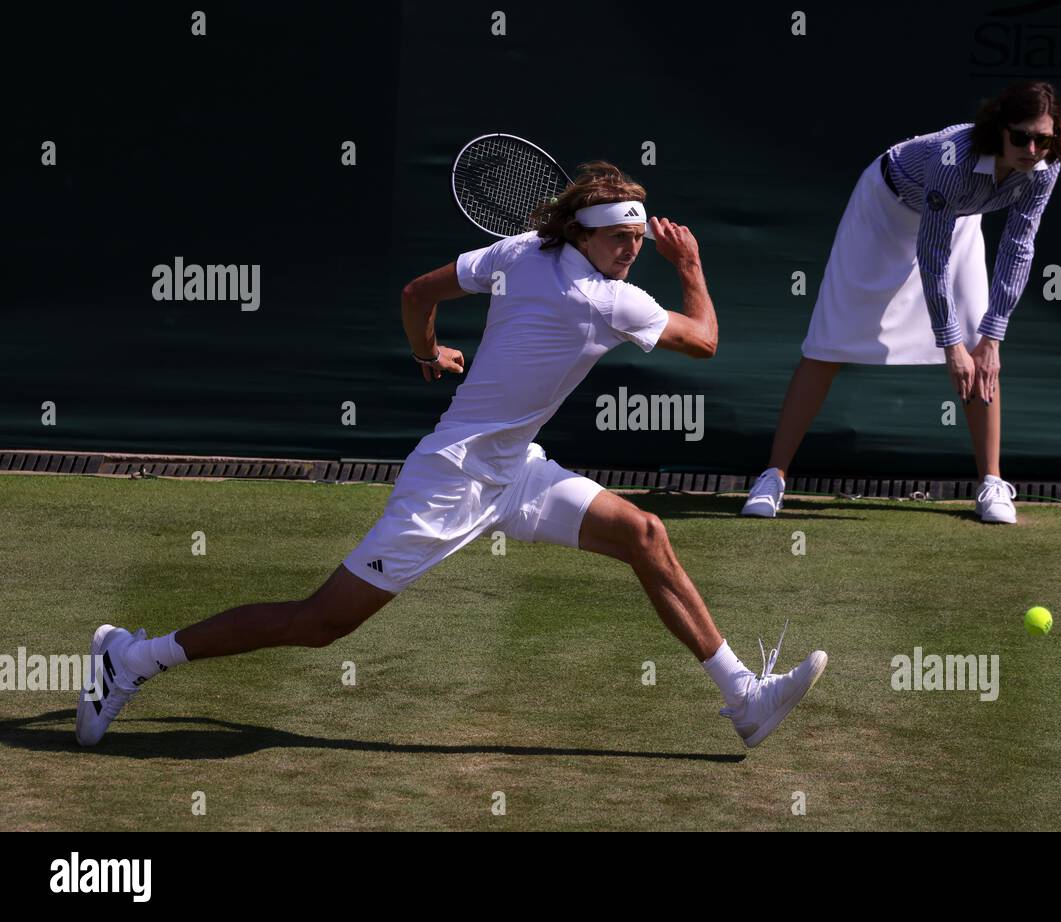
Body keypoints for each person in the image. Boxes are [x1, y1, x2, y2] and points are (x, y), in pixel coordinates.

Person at [76, 162, 827, 751]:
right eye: (620, 238)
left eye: (639, 238)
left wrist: (427, 349)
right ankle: (135, 660)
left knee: (644, 535)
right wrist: (690, 269)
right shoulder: (608, 301)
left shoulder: (523, 252)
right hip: (452, 481)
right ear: (583, 235)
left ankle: (744, 699)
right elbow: (705, 340)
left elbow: (416, 292)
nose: (633, 250)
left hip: (515, 469)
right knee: (320, 623)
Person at [742, 81, 1061, 524]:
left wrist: (991, 337)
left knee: (981, 337)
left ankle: (992, 483)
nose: (1032, 148)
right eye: (1021, 137)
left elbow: (1019, 244)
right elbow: (931, 255)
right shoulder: (951, 160)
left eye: (1043, 139)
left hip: (957, 219)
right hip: (884, 210)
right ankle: (772, 477)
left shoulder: (1044, 167)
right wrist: (949, 345)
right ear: (999, 130)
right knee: (828, 341)